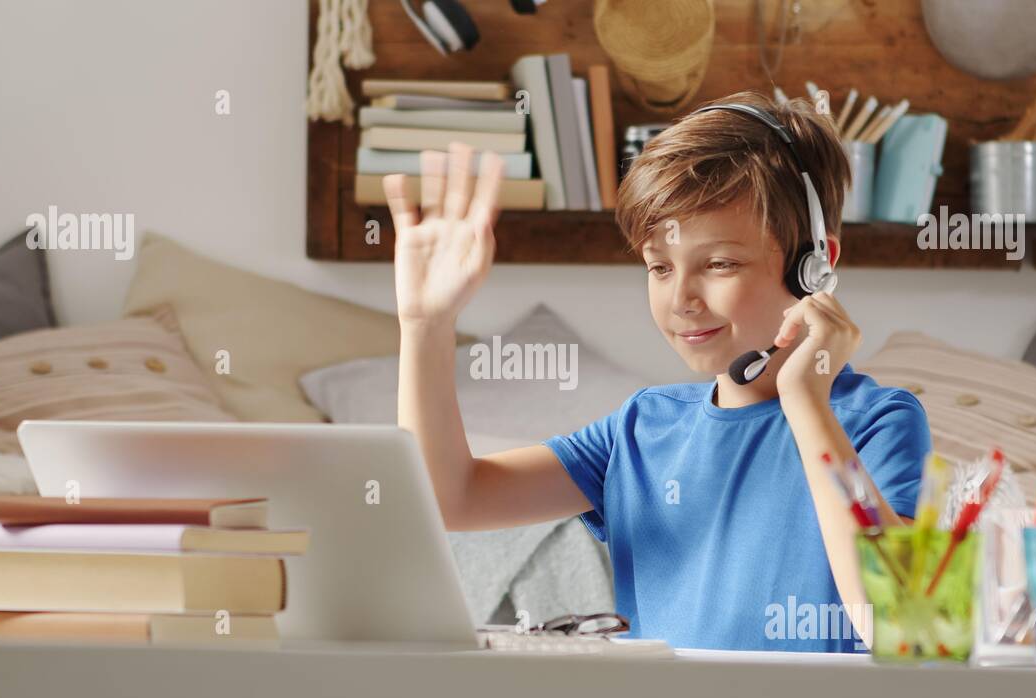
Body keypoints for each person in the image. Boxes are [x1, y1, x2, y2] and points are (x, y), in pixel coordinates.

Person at [382, 91, 931, 652]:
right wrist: (426, 325)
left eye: (719, 264)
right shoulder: (644, 428)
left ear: (815, 266)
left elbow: (899, 624)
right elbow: (449, 497)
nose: (682, 299)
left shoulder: (875, 422)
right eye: (659, 267)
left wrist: (808, 402)